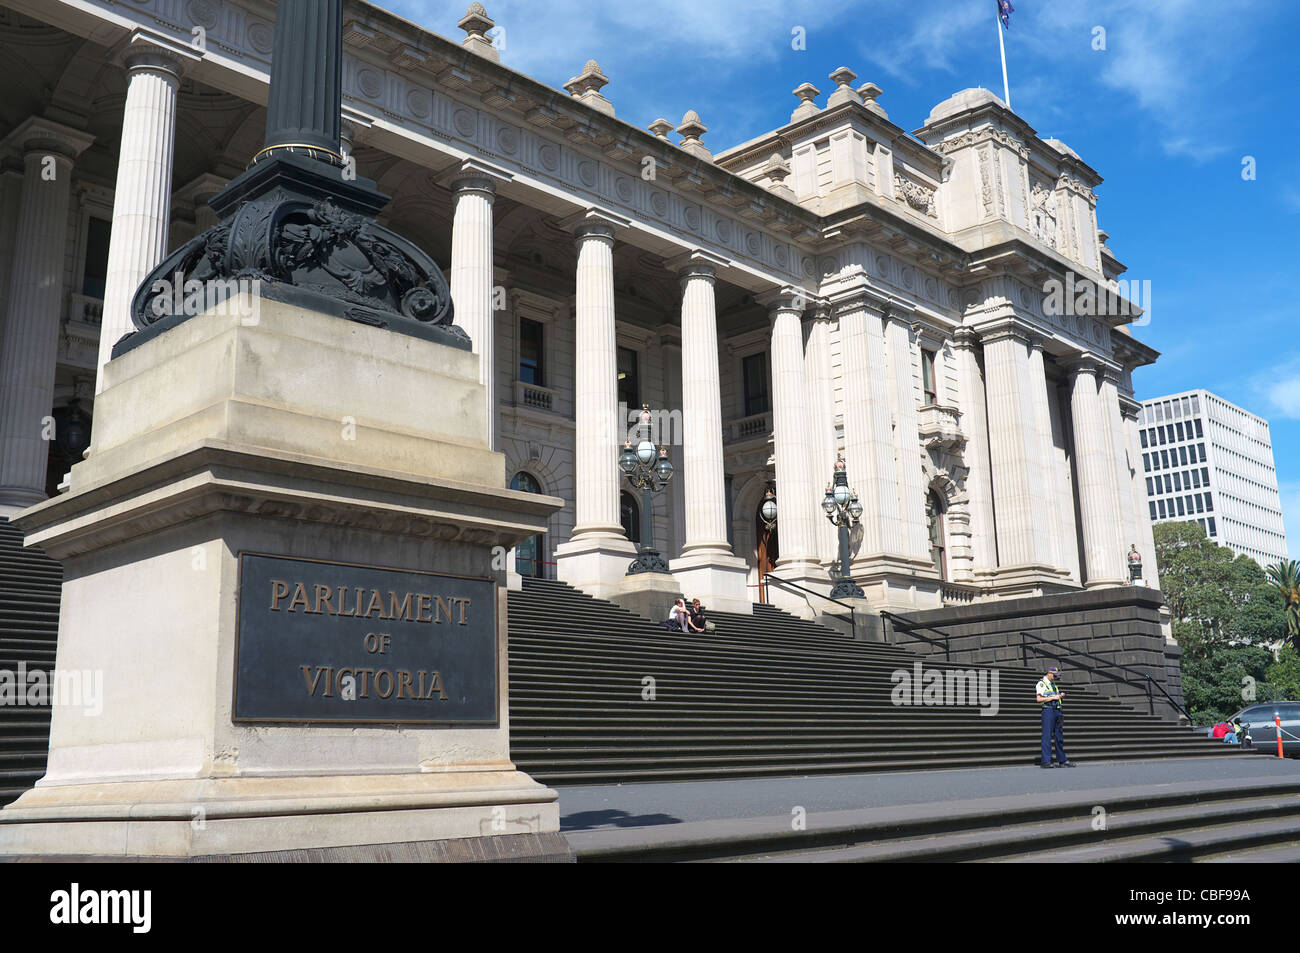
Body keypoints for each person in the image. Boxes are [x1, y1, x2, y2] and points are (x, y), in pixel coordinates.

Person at [1036, 667, 1075, 768]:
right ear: (1049, 673)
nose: (1056, 678)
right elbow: (1039, 699)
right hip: (1048, 711)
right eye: (1054, 676)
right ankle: (1046, 761)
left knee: (1059, 736)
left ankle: (1062, 760)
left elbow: (1054, 696)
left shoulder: (1053, 684)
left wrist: (1060, 696)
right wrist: (1054, 697)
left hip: (1057, 710)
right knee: (1047, 736)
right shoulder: (1041, 684)